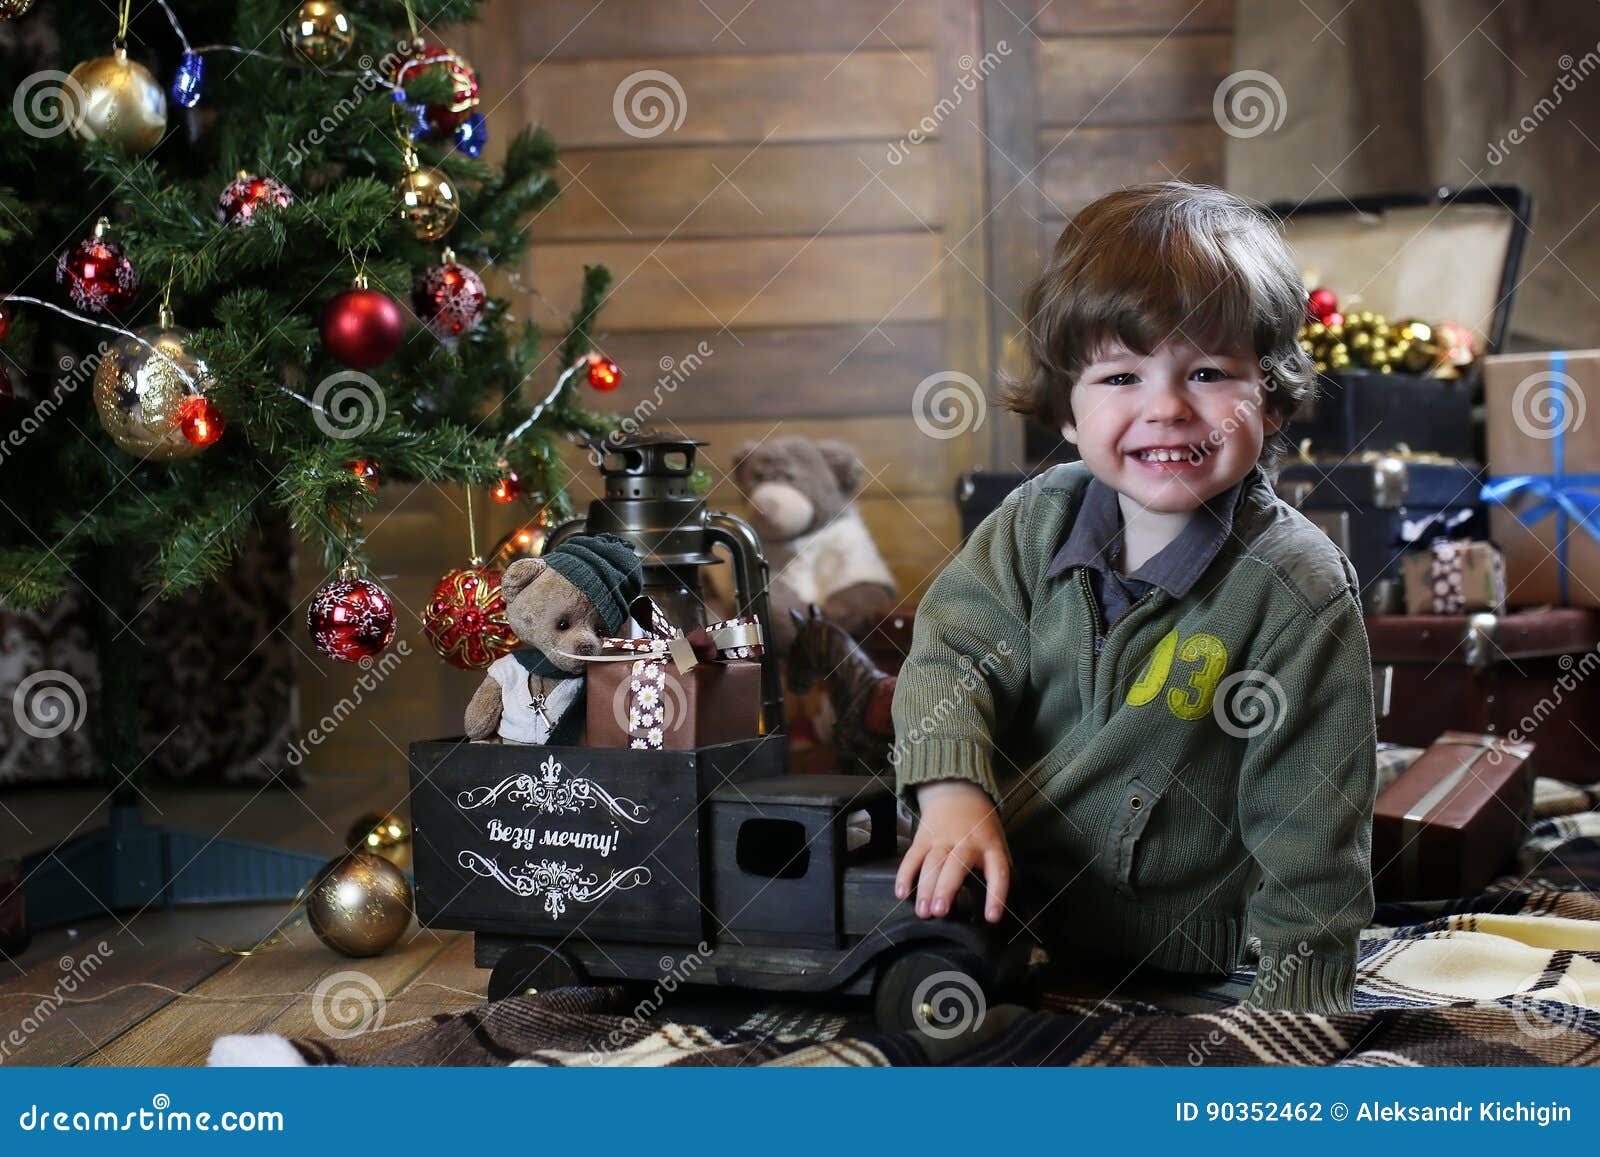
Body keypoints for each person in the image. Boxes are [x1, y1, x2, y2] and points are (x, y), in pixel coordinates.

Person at [890, 181, 1377, 1013]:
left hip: (1178, 954)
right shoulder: (1031, 522)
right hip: (997, 911)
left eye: (1209, 372)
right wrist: (951, 792)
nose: (1167, 408)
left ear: (1271, 396)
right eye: (1121, 375)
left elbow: (1313, 822)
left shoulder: (1298, 586)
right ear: (1066, 411)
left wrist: (1300, 1004)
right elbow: (951, 659)